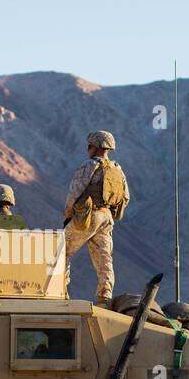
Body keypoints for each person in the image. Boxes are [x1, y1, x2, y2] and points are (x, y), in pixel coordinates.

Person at [62, 130, 130, 305]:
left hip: (87, 216)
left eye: (90, 146)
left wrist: (69, 214)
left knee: (61, 249)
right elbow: (125, 197)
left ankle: (60, 290)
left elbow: (74, 192)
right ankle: (105, 294)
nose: (88, 148)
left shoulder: (89, 166)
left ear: (94, 146)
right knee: (104, 257)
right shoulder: (117, 170)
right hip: (106, 218)